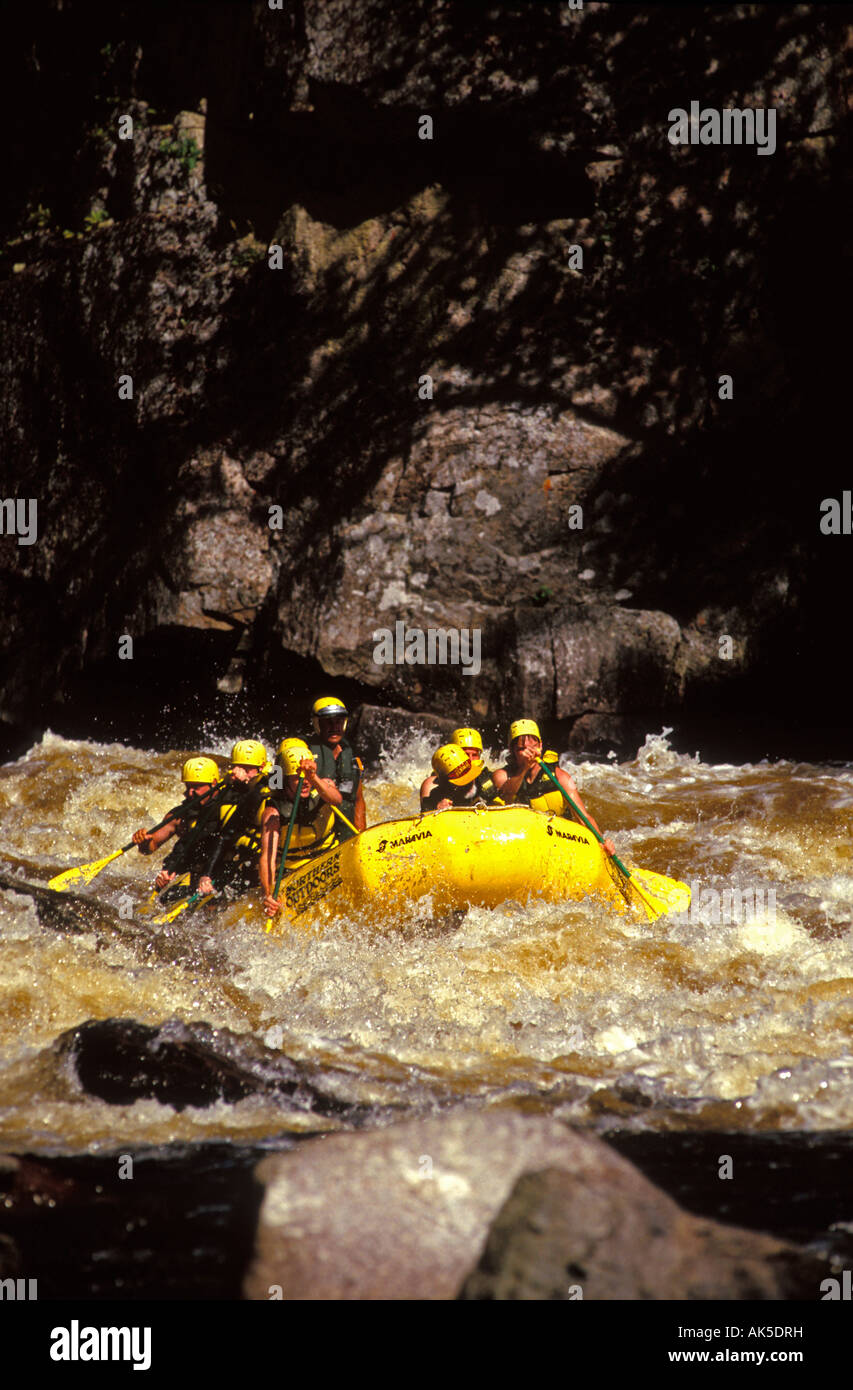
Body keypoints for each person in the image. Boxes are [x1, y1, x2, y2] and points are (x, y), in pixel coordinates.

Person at [493, 719, 616, 856]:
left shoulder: (561, 777)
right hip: (526, 842)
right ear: (512, 751)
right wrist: (523, 769)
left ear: (540, 746)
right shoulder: (502, 776)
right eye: (521, 749)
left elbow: (583, 817)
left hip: (560, 839)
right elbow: (506, 795)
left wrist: (601, 842)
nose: (528, 754)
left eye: (532, 748)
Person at [260, 739, 340, 916]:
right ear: (285, 779)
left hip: (328, 861)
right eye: (297, 778)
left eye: (306, 776)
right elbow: (267, 857)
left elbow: (336, 799)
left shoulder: (321, 785)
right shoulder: (273, 812)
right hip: (294, 873)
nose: (304, 782)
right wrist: (269, 895)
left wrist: (313, 778)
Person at [131, 756, 225, 891]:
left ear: (214, 783)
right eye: (188, 787)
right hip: (195, 873)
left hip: (221, 870)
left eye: (197, 787)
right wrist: (144, 841)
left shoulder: (227, 809)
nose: (190, 793)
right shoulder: (180, 816)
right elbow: (150, 847)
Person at [195, 740, 273, 898]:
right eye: (238, 767)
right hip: (245, 857)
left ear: (262, 767)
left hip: (274, 855)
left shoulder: (271, 779)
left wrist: (249, 783)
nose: (241, 772)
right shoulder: (232, 789)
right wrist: (206, 875)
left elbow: (278, 778)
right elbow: (226, 834)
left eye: (247, 768)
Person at [306, 696, 366, 840]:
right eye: (329, 723)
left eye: (338, 722)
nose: (334, 728)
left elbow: (358, 800)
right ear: (318, 724)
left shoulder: (350, 754)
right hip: (316, 832)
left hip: (345, 830)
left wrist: (361, 837)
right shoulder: (304, 751)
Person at [420, 743, 503, 812]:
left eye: (470, 776)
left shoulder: (486, 780)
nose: (468, 782)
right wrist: (436, 809)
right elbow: (424, 816)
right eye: (463, 781)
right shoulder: (437, 796)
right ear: (446, 782)